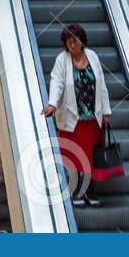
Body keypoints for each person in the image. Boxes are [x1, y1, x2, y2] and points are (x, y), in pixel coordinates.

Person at [41, 23, 112, 206]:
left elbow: (101, 84)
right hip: (72, 118)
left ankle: (89, 191)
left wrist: (106, 111)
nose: (72, 45)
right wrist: (52, 104)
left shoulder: (93, 57)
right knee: (75, 157)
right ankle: (77, 192)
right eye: (68, 42)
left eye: (75, 41)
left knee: (89, 156)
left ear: (82, 41)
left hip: (92, 118)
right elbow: (57, 82)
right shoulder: (61, 60)